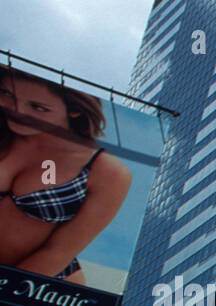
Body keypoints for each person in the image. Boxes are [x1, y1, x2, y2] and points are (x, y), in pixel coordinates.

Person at [0, 67, 131, 284]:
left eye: (38, 107)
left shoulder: (108, 172)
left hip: (40, 291)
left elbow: (57, 253)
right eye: (6, 94)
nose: (16, 111)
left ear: (74, 110)